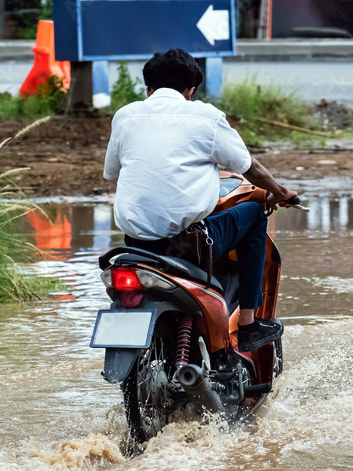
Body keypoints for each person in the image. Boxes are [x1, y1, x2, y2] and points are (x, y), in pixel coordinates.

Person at [103, 49, 298, 352]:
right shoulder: (205, 117)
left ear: (148, 88)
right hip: (187, 245)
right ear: (190, 90)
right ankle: (247, 323)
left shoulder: (125, 116)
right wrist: (281, 192)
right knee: (255, 215)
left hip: (136, 245)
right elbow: (251, 168)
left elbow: (112, 171)